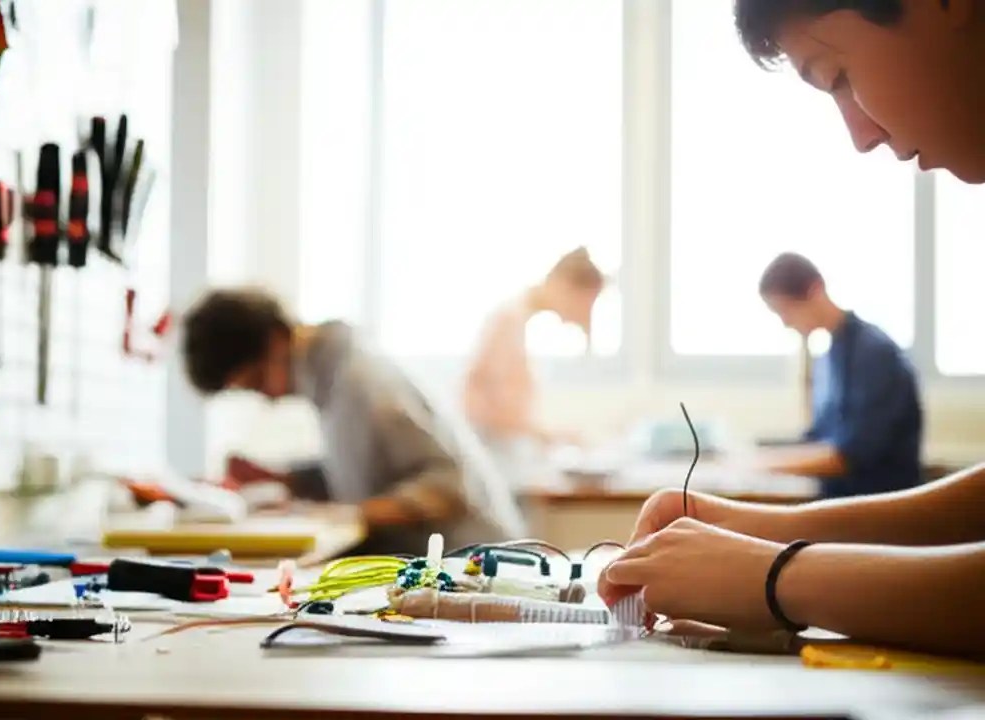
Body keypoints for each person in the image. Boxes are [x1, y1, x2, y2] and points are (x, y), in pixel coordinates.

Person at [599, 0, 985, 659]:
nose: (861, 136)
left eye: (835, 74)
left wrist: (772, 574)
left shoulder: (873, 352)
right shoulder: (834, 356)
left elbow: (844, 456)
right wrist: (756, 527)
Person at [181, 288, 525, 556]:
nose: (268, 399)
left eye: (258, 382)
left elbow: (449, 486)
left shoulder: (361, 382)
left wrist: (343, 515)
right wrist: (284, 479)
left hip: (475, 564)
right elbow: (371, 472)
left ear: (275, 340)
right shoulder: (331, 381)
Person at [756, 252, 923, 498]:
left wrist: (764, 465)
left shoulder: (874, 353)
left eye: (785, 310)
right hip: (842, 500)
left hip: (876, 506)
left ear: (816, 290)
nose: (786, 323)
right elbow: (818, 438)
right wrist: (763, 453)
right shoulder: (830, 354)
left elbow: (850, 455)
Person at [462, 247, 605, 451]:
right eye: (585, 302)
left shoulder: (520, 320)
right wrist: (548, 435)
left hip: (501, 449)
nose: (583, 312)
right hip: (490, 452)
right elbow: (484, 408)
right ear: (564, 285)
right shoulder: (508, 321)